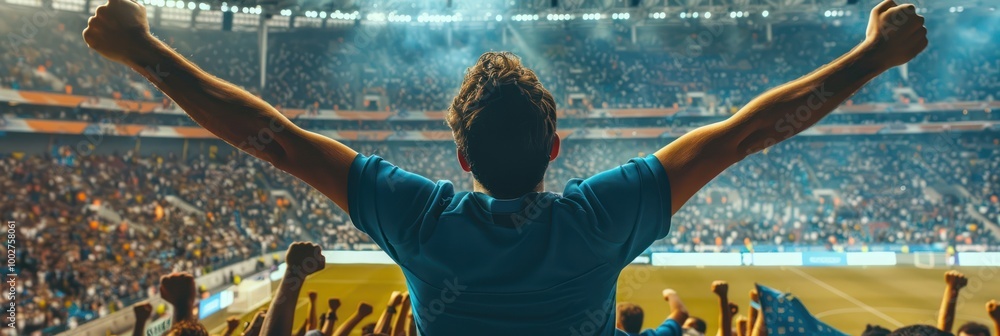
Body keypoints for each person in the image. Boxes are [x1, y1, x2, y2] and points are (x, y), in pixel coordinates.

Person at [80, 0, 927, 333]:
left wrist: (144, 48)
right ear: (558, 149)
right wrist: (870, 58)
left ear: (460, 158)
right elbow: (748, 132)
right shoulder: (603, 219)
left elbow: (268, 134)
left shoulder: (418, 218)